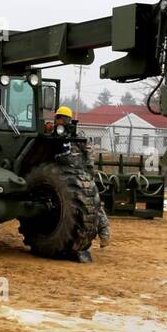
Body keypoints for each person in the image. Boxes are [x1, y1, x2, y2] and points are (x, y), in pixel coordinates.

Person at [54, 105, 110, 248]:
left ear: (67, 120)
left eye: (60, 119)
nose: (58, 122)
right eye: (57, 118)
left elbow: (89, 153)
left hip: (80, 174)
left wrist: (89, 171)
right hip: (62, 174)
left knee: (93, 203)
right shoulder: (56, 136)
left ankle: (104, 233)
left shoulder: (78, 137)